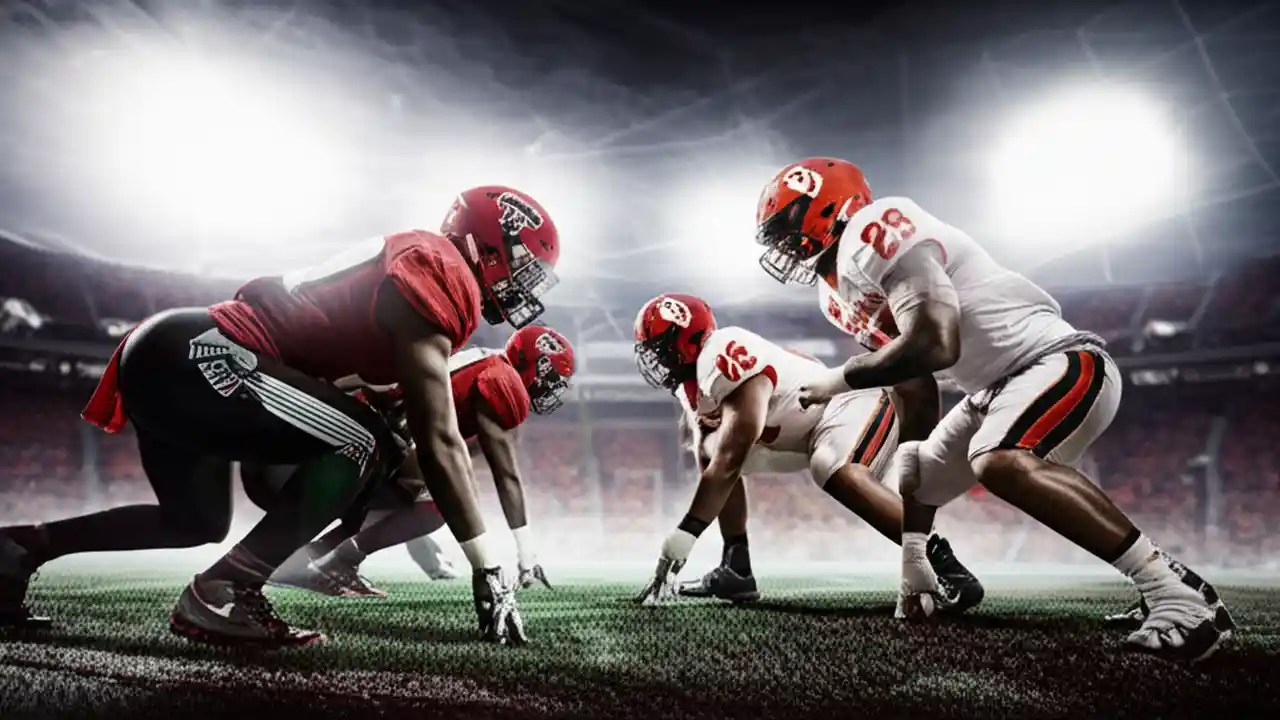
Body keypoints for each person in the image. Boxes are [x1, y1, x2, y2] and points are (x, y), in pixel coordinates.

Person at [0, 186, 560, 648]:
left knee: (195, 521)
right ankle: (226, 589)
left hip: (178, 355)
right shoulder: (442, 267)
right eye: (524, 269)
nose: (524, 288)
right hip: (207, 351)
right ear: (481, 245)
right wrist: (488, 567)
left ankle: (20, 548)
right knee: (365, 443)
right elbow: (440, 438)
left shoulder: (419, 272)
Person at [752, 157, 1234, 662]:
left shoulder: (875, 226)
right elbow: (913, 382)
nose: (784, 247)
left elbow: (936, 344)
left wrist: (838, 378)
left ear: (831, 207)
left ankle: (1173, 593)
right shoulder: (835, 297)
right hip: (990, 393)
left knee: (998, 459)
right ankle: (935, 580)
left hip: (1057, 360)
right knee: (914, 474)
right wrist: (913, 558)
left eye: (788, 228)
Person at [630, 293, 982, 609]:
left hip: (844, 406)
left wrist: (683, 538)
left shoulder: (722, 351)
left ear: (689, 340)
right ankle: (736, 566)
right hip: (803, 432)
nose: (656, 360)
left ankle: (944, 564)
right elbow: (712, 457)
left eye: (660, 348)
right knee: (709, 445)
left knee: (828, 466)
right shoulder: (689, 386)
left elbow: (733, 454)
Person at [252, 325, 574, 597]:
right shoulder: (501, 378)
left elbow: (453, 439)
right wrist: (526, 553)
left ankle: (304, 560)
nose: (551, 390)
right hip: (372, 427)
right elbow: (506, 476)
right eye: (552, 379)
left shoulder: (487, 362)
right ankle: (336, 560)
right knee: (440, 500)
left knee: (410, 497)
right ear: (533, 363)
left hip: (375, 424)